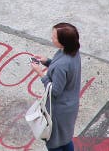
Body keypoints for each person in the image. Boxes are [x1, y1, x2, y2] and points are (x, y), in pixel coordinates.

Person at [30, 23, 82, 151]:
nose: (52, 39)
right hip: (70, 105)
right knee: (65, 139)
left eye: (54, 37)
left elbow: (55, 91)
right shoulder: (72, 52)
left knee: (55, 143)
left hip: (59, 111)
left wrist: (40, 73)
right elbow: (63, 70)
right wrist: (47, 61)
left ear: (63, 41)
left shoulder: (62, 64)